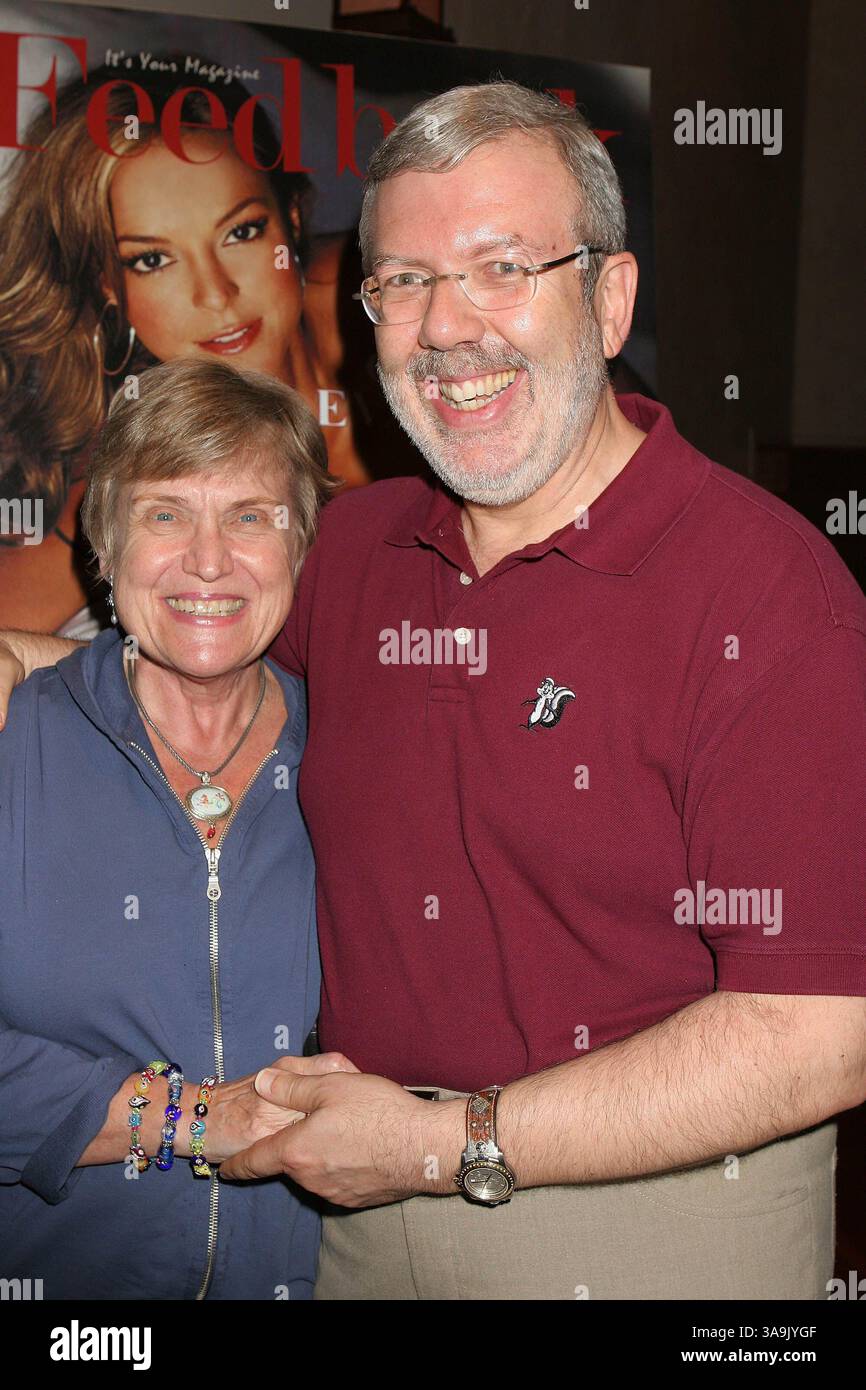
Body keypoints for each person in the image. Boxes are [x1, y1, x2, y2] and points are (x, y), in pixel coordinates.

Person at [3, 80, 865, 1302]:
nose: (447, 327)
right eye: (403, 281)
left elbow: (821, 1031)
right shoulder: (359, 550)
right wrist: (21, 662)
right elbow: (194, 636)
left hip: (648, 1222)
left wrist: (438, 1140)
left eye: (500, 266)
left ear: (609, 299)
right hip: (349, 1226)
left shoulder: (768, 595)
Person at [0, 356, 353, 1300]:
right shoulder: (13, 739)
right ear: (103, 551)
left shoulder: (362, 762)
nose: (208, 559)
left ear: (302, 548)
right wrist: (195, 1121)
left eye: (250, 516)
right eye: (165, 515)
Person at [0, 63, 368, 637]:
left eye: (241, 231)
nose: (216, 294)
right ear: (107, 287)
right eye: (152, 260)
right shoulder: (137, 455)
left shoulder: (389, 308)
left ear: (290, 218)